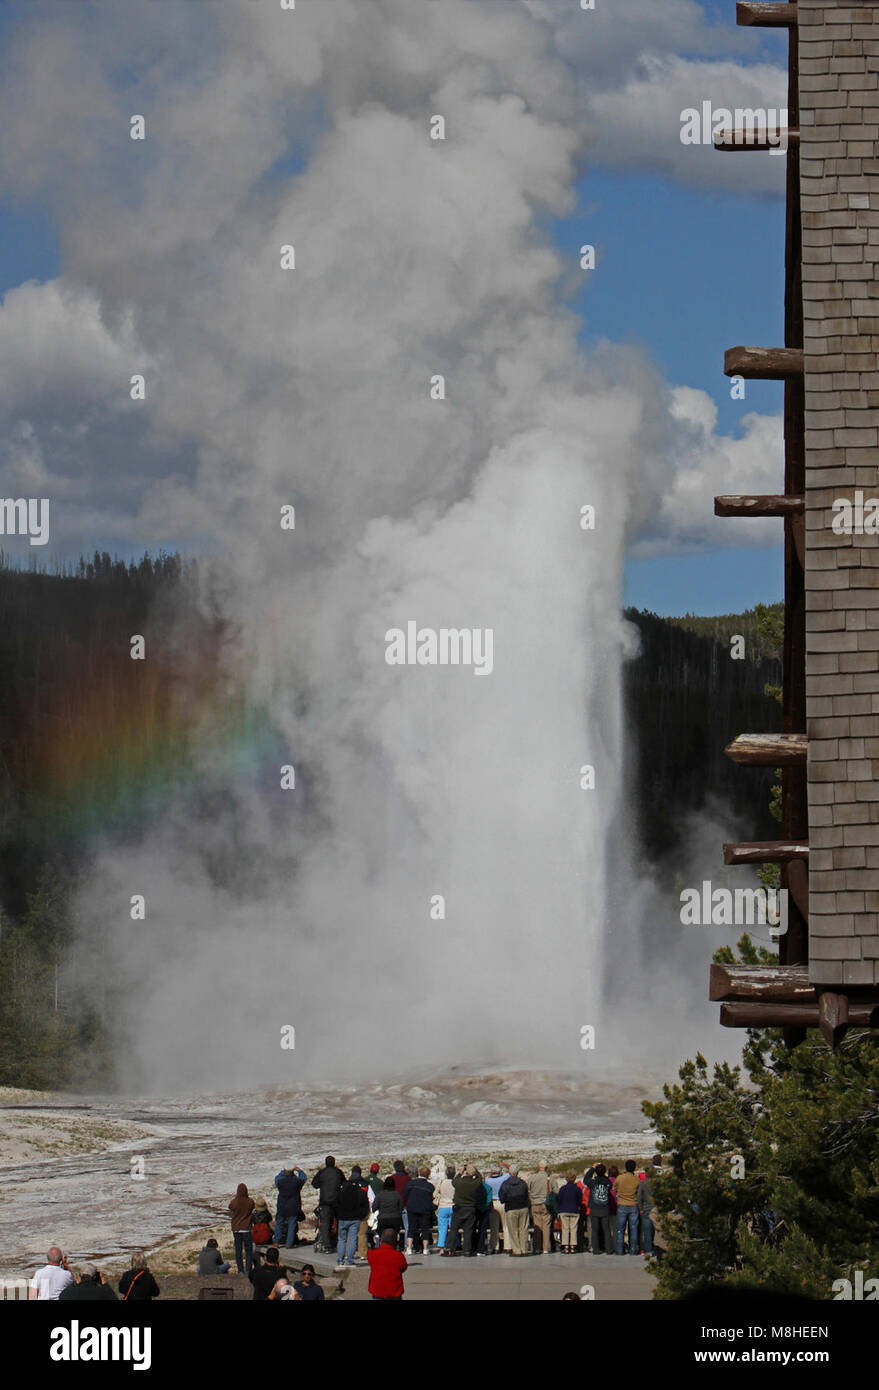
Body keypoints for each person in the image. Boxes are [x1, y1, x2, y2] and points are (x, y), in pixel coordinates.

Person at [443, 1163, 482, 1257]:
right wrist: (474, 1170)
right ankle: (467, 1251)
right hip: (470, 1208)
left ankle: (449, 1249)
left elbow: (454, 1180)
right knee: (468, 1230)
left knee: (454, 1229)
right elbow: (480, 1178)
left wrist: (460, 1172)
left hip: (459, 1208)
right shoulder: (475, 1183)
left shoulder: (459, 1182)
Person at [335, 1169, 370, 1269]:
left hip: (342, 1217)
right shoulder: (361, 1192)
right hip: (355, 1218)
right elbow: (365, 1207)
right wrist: (361, 1216)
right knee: (352, 1239)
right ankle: (349, 1260)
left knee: (341, 1239)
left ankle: (340, 1259)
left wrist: (338, 1214)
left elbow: (336, 1203)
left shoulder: (341, 1191)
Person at [311, 1156, 345, 1254]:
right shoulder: (338, 1172)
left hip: (325, 1202)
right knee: (338, 1222)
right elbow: (344, 1183)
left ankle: (327, 1246)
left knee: (325, 1224)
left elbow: (314, 1184)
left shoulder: (322, 1173)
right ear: (334, 1163)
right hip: (336, 1201)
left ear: (325, 1163)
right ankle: (338, 1243)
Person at [367, 1228, 408, 1300]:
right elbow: (404, 1267)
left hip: (377, 1291)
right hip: (394, 1291)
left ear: (381, 1240)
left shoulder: (372, 1253)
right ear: (395, 1241)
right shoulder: (399, 1255)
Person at [403, 1167, 435, 1256]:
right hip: (425, 1209)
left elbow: (405, 1194)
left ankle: (409, 1248)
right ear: (428, 1175)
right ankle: (425, 1249)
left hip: (412, 1207)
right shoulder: (430, 1186)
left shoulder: (410, 1184)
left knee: (411, 1228)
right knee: (425, 1229)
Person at [499, 1166, 531, 1255]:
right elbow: (526, 1195)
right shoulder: (523, 1183)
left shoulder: (505, 1184)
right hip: (523, 1208)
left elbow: (502, 1198)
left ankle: (516, 1250)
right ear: (517, 1173)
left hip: (511, 1209)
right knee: (523, 1229)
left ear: (509, 1173)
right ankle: (524, 1249)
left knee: (513, 1231)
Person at [584, 1163, 614, 1255]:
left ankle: (596, 1250)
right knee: (607, 1230)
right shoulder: (608, 1183)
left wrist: (592, 1168)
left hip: (594, 1208)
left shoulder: (593, 1183)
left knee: (595, 1230)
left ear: (596, 1173)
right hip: (604, 1208)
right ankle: (609, 1249)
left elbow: (585, 1179)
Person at [274, 1165, 307, 1247]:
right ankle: (289, 1243)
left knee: (279, 1224)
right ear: (292, 1172)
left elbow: (276, 1178)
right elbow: (304, 1178)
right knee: (292, 1224)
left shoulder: (280, 1182)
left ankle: (276, 1242)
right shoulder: (297, 1182)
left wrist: (283, 1171)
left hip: (282, 1205)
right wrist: (299, 1170)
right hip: (293, 1206)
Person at [229, 1181, 256, 1275]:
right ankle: (248, 1269)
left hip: (236, 1228)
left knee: (238, 1251)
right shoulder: (250, 1201)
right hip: (247, 1228)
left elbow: (230, 1207)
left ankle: (240, 1270)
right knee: (248, 1250)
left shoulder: (234, 1202)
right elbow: (253, 1207)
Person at [615, 1160, 641, 1256]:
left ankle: (620, 1250)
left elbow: (614, 1189)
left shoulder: (620, 1178)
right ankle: (633, 1250)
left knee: (620, 1230)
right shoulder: (636, 1179)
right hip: (633, 1205)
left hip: (622, 1204)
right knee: (633, 1229)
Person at [373, 1175, 404, 1248]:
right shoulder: (397, 1194)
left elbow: (374, 1207)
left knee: (381, 1234)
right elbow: (401, 1207)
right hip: (395, 1218)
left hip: (383, 1218)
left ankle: (381, 1246)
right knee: (394, 1234)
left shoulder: (380, 1194)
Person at [351, 1166, 374, 1261]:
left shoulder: (348, 1183)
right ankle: (363, 1254)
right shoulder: (366, 1184)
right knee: (362, 1234)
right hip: (363, 1212)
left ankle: (348, 1253)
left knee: (350, 1234)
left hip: (351, 1212)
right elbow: (372, 1199)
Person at [528, 1161, 551, 1254]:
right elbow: (555, 1191)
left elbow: (528, 1190)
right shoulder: (549, 1178)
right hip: (546, 1204)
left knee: (537, 1226)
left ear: (538, 1167)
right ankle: (546, 1248)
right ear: (547, 1167)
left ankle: (537, 1247)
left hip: (535, 1204)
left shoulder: (532, 1177)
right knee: (546, 1227)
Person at [558, 1171, 582, 1253]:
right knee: (573, 1229)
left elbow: (559, 1199)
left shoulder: (562, 1188)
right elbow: (580, 1200)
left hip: (564, 1210)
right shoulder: (577, 1189)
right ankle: (573, 1246)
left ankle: (566, 1246)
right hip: (574, 1210)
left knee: (565, 1229)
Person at [484, 1166, 506, 1253]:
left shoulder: (488, 1180)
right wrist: (503, 1164)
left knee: (494, 1227)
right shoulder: (503, 1178)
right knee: (506, 1226)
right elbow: (510, 1171)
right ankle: (507, 1246)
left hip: (493, 1203)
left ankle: (494, 1246)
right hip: (502, 1202)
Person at [435, 1165, 456, 1252]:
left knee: (442, 1228)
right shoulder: (455, 1183)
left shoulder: (442, 1182)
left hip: (443, 1206)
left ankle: (441, 1247)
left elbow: (435, 1193)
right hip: (453, 1206)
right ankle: (453, 1246)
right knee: (454, 1228)